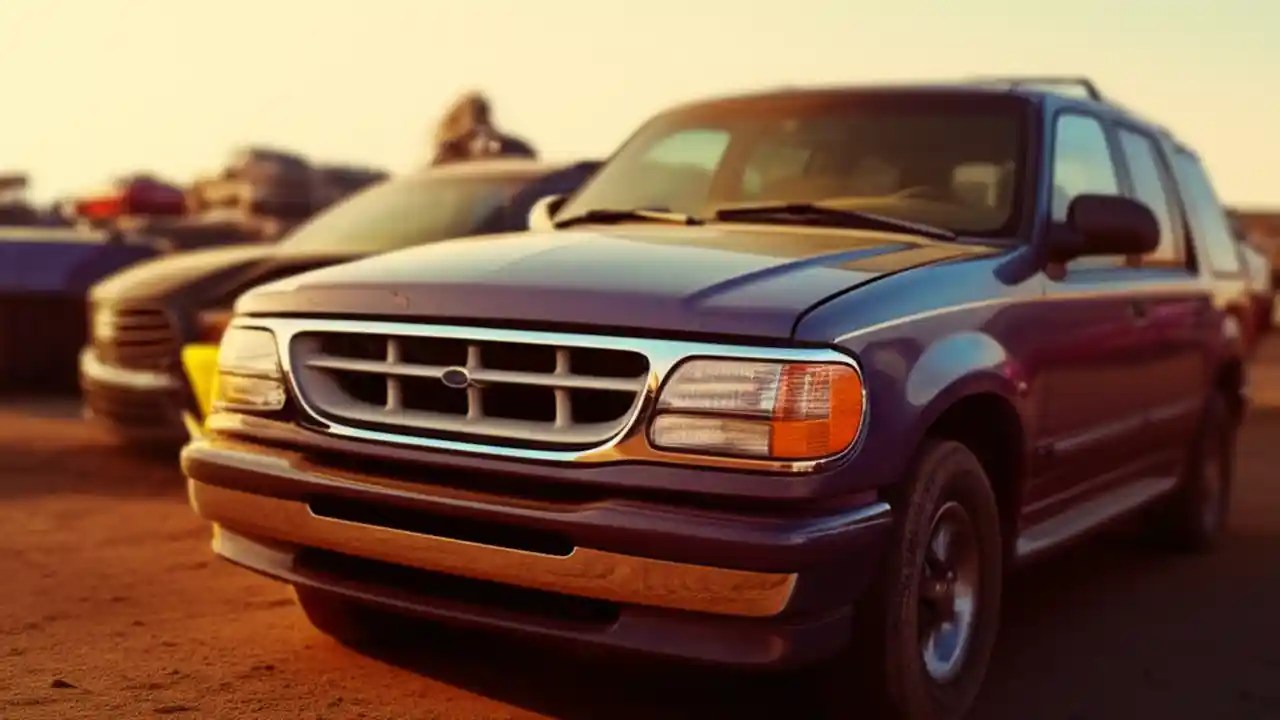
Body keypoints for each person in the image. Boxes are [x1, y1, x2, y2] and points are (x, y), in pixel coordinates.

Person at [430, 92, 537, 166]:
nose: (479, 139)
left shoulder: (515, 152)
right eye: (471, 135)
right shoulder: (445, 161)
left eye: (483, 123)